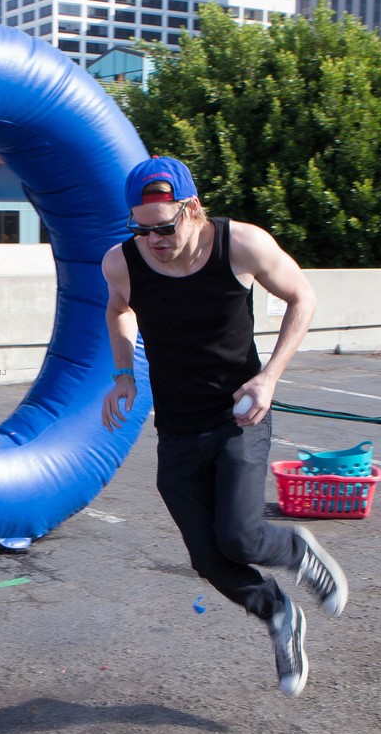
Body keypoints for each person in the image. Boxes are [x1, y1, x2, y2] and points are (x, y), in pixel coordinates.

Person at [100, 155, 347, 697]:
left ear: (191, 210)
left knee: (239, 535)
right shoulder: (122, 262)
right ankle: (279, 613)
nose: (153, 240)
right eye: (140, 228)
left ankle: (299, 552)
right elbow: (119, 308)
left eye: (163, 227)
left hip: (239, 413)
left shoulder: (242, 244)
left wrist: (270, 377)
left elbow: (302, 296)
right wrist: (124, 374)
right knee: (209, 559)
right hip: (178, 426)